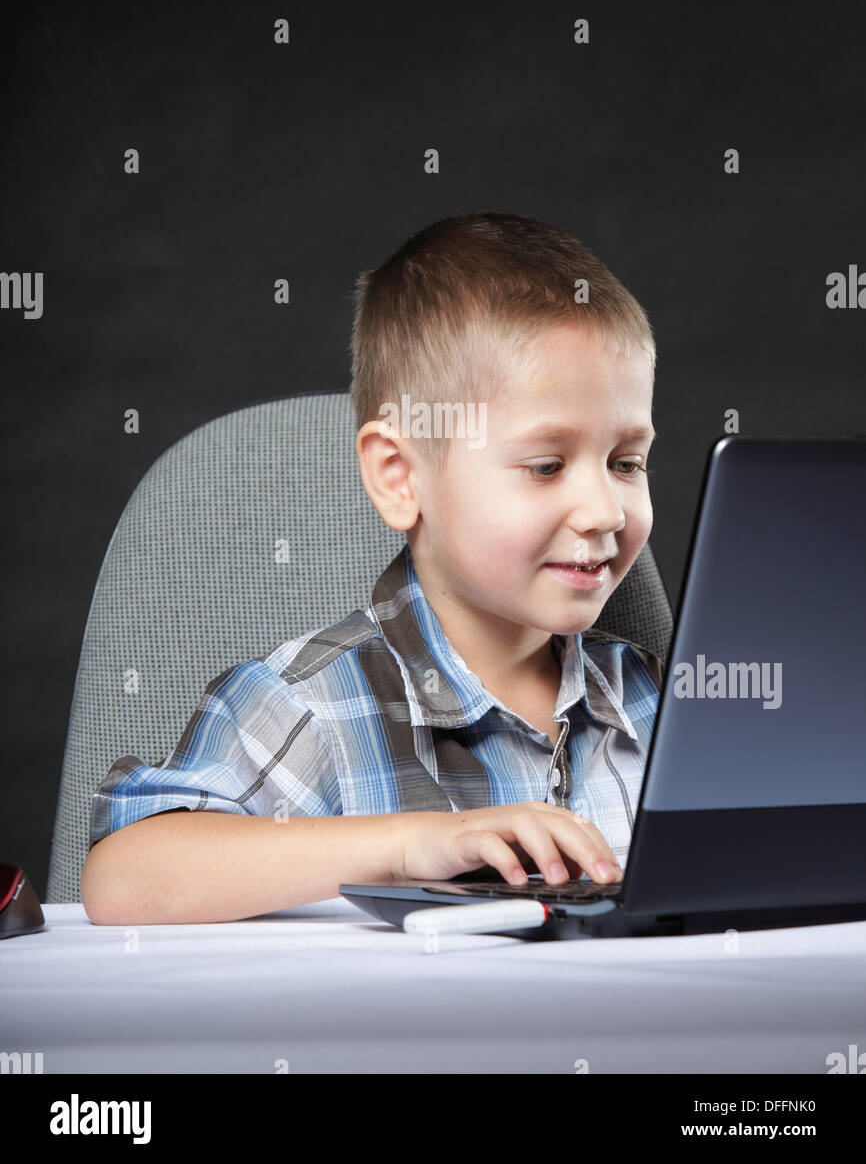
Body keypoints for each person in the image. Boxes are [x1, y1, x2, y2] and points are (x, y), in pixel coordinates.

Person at [81, 211, 662, 925]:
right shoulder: (314, 707)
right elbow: (123, 878)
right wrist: (413, 842)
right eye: (546, 466)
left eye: (627, 463)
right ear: (398, 477)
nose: (606, 510)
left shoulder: (666, 702)